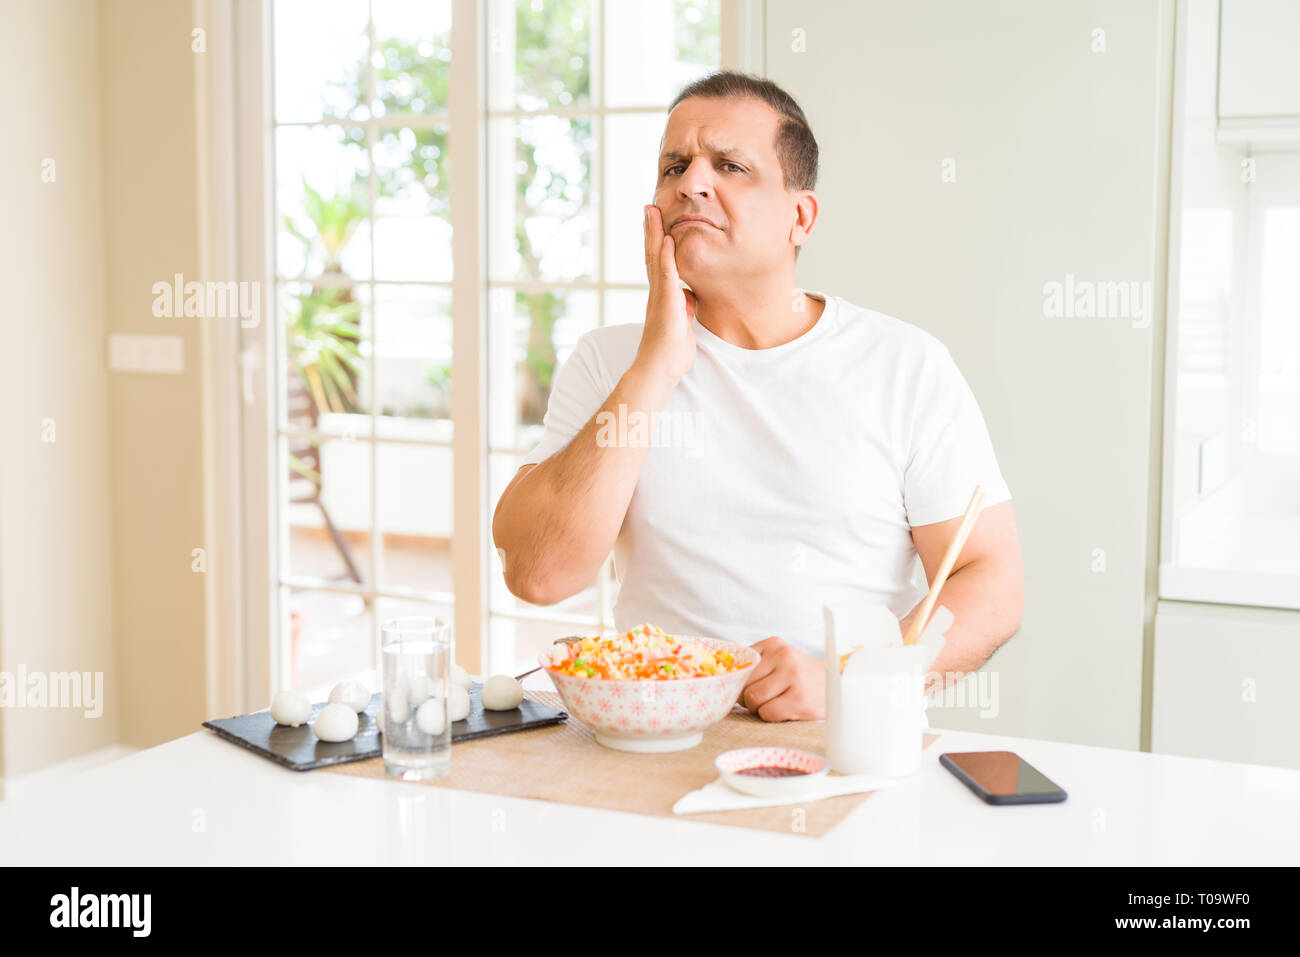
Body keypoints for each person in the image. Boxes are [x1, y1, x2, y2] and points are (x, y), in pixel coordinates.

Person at [493, 70, 1024, 722]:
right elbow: (538, 573)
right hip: (651, 744)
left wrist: (850, 682)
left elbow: (992, 582)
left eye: (731, 165)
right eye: (674, 165)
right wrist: (655, 367)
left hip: (843, 746)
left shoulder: (906, 366)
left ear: (800, 217)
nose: (693, 182)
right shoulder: (609, 362)